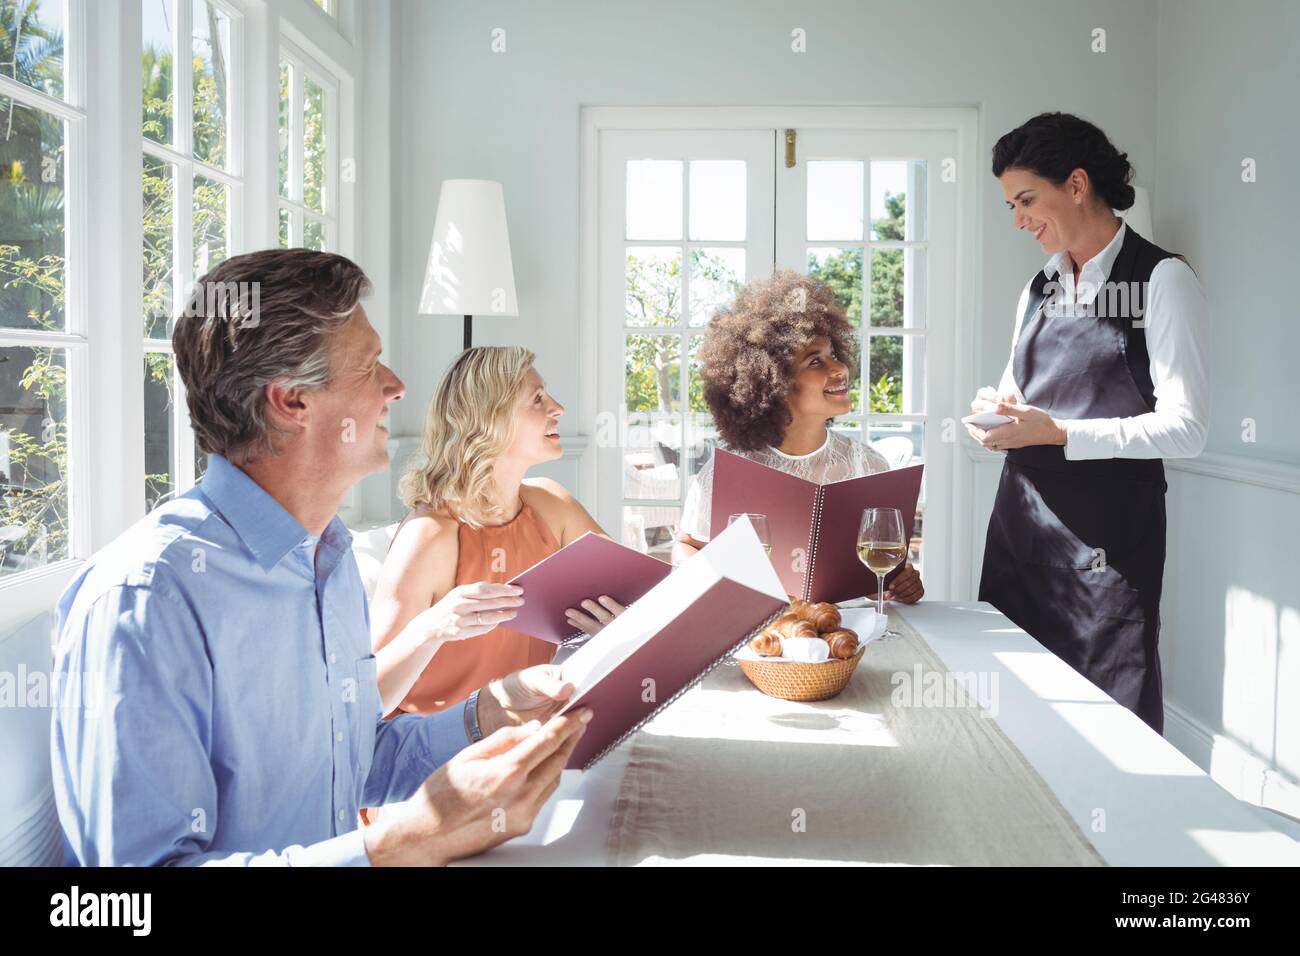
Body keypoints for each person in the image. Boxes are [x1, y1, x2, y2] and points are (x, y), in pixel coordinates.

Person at [50, 249, 591, 866]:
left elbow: (355, 760)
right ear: (292, 402)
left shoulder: (325, 562)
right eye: (368, 367)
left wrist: (486, 714)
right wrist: (405, 843)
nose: (396, 386)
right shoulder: (146, 597)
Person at [968, 112, 1209, 734]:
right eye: (1010, 205)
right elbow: (1025, 392)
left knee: (1110, 713)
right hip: (1022, 530)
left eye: (1026, 199)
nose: (1018, 219)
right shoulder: (1037, 287)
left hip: (1109, 540)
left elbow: (1187, 428)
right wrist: (997, 414)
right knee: (1014, 706)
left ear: (1076, 184)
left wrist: (1062, 433)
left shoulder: (1162, 280)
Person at [371, 346, 626, 718]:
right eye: (537, 399)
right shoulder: (430, 535)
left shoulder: (552, 504)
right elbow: (369, 694)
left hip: (527, 726)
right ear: (489, 419)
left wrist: (618, 626)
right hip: (434, 747)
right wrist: (432, 629)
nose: (558, 408)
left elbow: (636, 593)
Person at [672, 270, 924, 605]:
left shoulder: (868, 463)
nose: (839, 369)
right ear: (772, 383)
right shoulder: (726, 473)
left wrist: (903, 584)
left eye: (834, 354)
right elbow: (685, 546)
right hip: (763, 635)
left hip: (846, 634)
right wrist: (713, 588)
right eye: (815, 360)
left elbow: (885, 572)